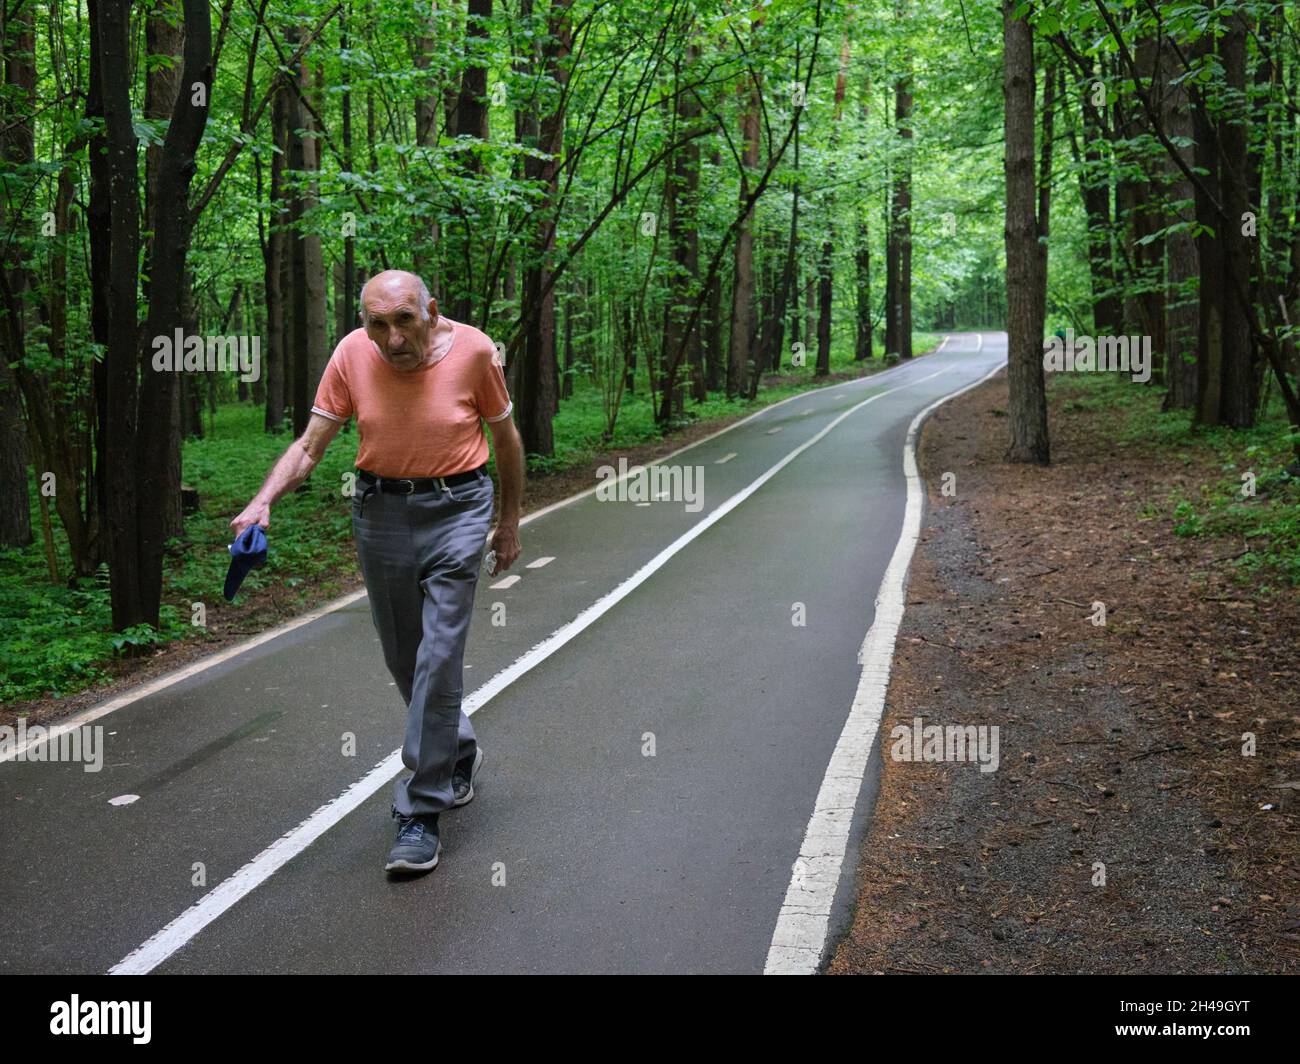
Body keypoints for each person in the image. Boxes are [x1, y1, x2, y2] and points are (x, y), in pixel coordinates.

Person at [230, 269, 524, 876]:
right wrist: (264, 500)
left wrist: (511, 520)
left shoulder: (474, 350)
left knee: (440, 655)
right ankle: (458, 749)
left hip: (459, 507)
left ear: (431, 311)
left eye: (404, 321)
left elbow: (507, 438)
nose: (392, 338)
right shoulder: (350, 354)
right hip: (380, 512)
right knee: (405, 657)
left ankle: (420, 808)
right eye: (377, 324)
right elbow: (311, 446)